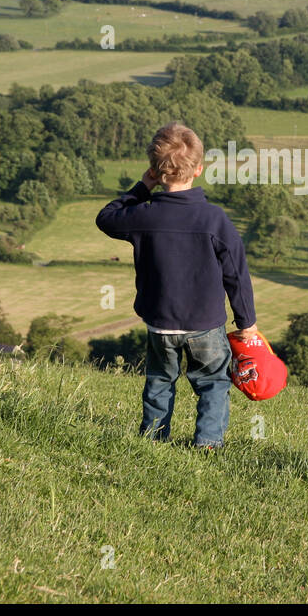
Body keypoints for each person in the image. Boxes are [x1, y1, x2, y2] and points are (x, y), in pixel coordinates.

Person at [96, 122, 257, 450]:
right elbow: (236, 274)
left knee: (159, 380)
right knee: (212, 382)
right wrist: (247, 323)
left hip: (160, 323)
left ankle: (153, 441)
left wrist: (142, 187)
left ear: (155, 170)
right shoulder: (215, 219)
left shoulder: (145, 214)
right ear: (198, 169)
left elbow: (107, 217)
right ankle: (208, 443)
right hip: (206, 324)